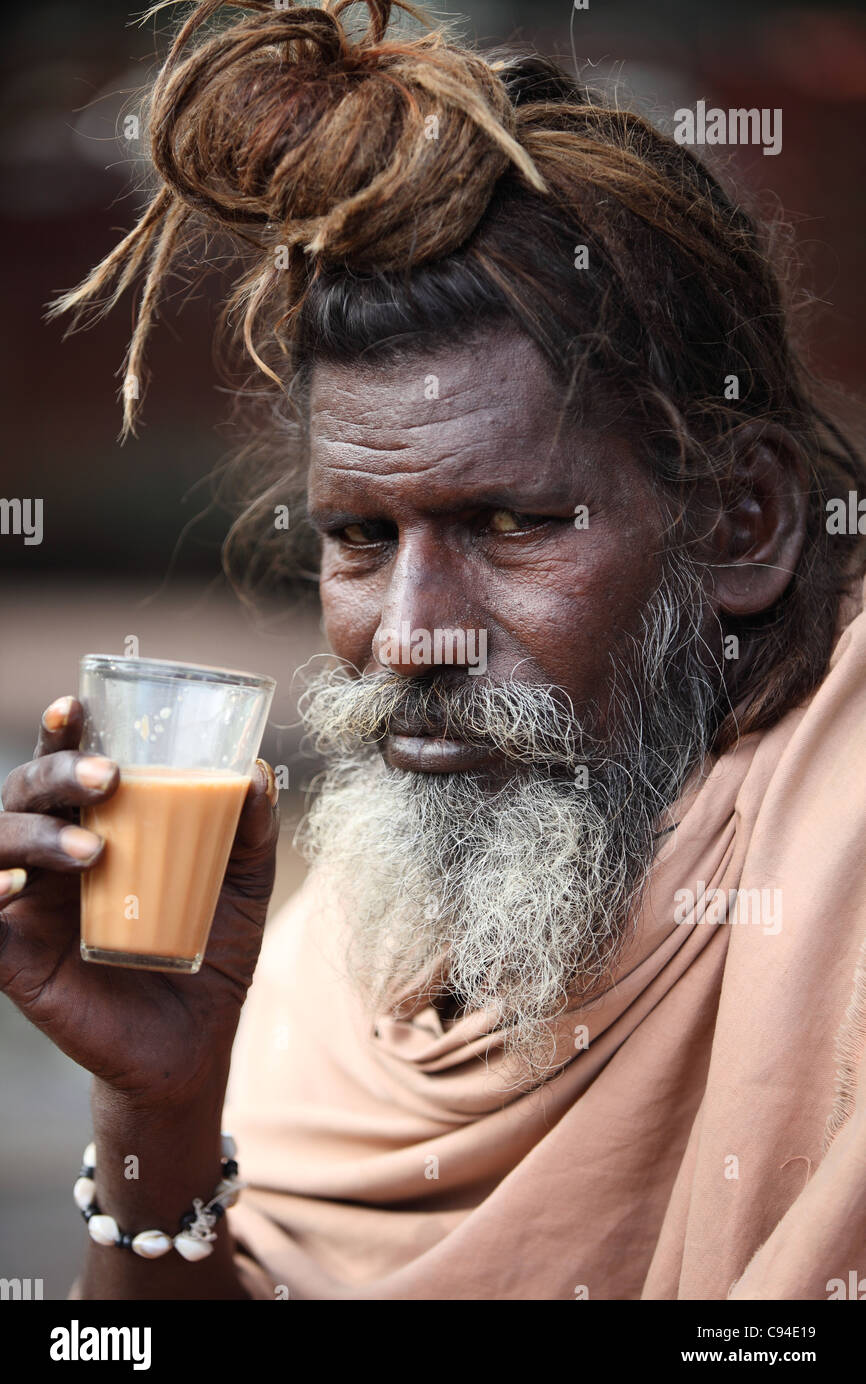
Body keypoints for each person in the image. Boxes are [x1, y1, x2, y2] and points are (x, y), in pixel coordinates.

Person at [2, 0, 865, 1299]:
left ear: (739, 523)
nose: (409, 634)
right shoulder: (342, 927)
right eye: (357, 536)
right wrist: (158, 1107)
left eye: (510, 525)